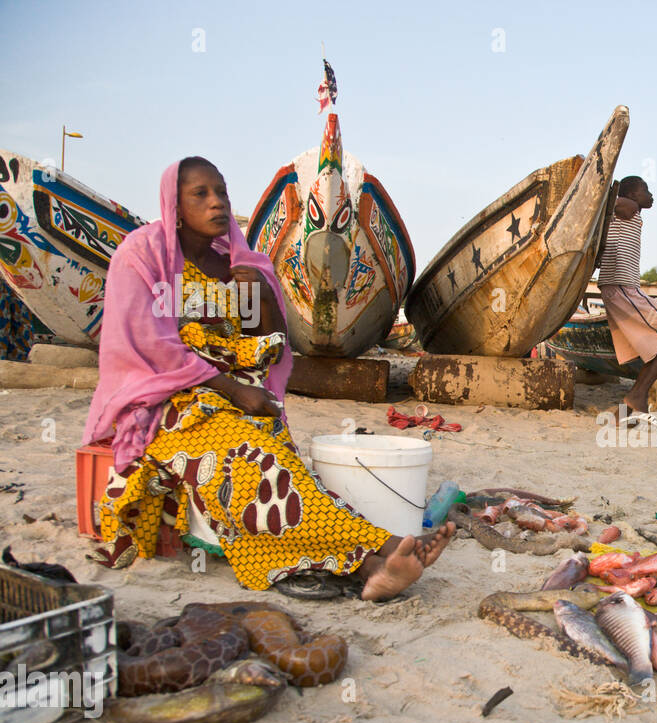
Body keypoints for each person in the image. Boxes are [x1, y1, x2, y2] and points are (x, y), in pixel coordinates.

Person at [82, 157, 454, 601]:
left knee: (280, 468)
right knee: (253, 458)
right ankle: (383, 546)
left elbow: (274, 343)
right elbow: (149, 344)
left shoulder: (241, 265)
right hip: (164, 405)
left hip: (237, 399)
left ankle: (372, 568)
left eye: (222, 192)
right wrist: (233, 390)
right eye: (200, 194)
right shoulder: (143, 255)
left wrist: (259, 295)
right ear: (174, 205)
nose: (217, 202)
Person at [595, 175, 657, 424]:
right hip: (622, 287)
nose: (651, 195)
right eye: (645, 190)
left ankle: (625, 412)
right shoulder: (626, 207)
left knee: (655, 348)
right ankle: (637, 395)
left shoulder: (626, 211)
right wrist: (616, 196)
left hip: (621, 288)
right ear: (633, 194)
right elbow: (621, 204)